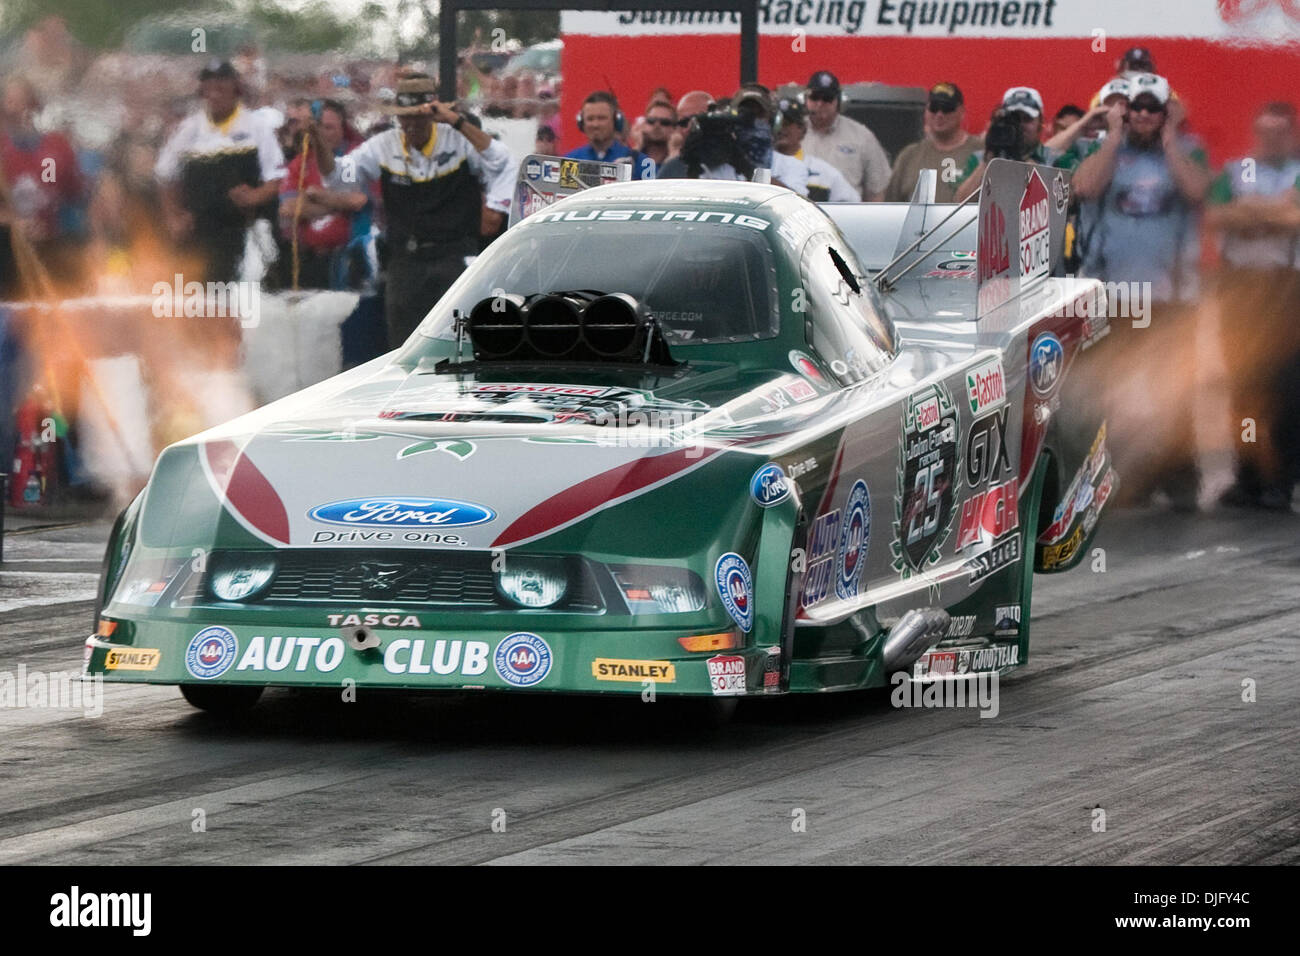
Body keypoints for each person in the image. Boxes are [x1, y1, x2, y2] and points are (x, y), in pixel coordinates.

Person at [1073, 72, 1211, 511]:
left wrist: (1171, 140)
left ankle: (1178, 479)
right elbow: (1083, 187)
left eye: (1156, 107)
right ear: (1126, 111)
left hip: (1170, 295)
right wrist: (1113, 138)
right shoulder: (1105, 152)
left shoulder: (1188, 153)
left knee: (1176, 389)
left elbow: (1197, 191)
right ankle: (1106, 478)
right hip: (1114, 292)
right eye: (1139, 108)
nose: (1147, 115)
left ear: (1166, 111)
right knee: (1105, 388)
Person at [318, 73, 513, 350]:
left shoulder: (457, 138)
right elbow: (337, 176)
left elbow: (502, 161)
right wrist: (317, 141)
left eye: (418, 117)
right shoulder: (384, 144)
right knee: (404, 346)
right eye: (404, 117)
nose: (410, 124)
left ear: (434, 115)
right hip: (405, 261)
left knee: (459, 342)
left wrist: (457, 122)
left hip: (454, 256)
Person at [1205, 102, 1300, 510]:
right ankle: (1248, 475)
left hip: (1286, 290)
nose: (1271, 139)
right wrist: (1273, 209)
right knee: (1244, 385)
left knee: (1285, 388)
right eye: (1265, 131)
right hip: (1241, 289)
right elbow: (1215, 216)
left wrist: (1252, 211)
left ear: (1292, 134)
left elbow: (1295, 221)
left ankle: (1281, 477)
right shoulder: (1239, 170)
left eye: (1280, 131)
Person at [155, 59, 285, 283]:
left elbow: (276, 179)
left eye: (221, 89)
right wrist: (173, 216)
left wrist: (254, 197)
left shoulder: (256, 128)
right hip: (199, 228)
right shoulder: (189, 129)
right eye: (208, 90)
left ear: (235, 89)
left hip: (242, 228)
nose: (214, 96)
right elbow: (165, 174)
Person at [0, 75, 86, 292]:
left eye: (24, 101)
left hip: (52, 243)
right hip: (7, 249)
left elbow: (75, 195)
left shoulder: (56, 146)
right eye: (10, 101)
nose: (17, 109)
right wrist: (14, 224)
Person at [279, 100, 370, 290]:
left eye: (329, 127)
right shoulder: (301, 162)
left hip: (350, 259)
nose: (322, 133)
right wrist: (338, 200)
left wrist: (317, 195)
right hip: (311, 260)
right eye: (318, 127)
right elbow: (288, 208)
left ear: (342, 128)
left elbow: (359, 201)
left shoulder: (356, 157)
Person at [800, 70, 891, 201]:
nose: (820, 104)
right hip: (800, 214)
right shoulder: (792, 133)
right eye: (814, 97)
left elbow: (876, 190)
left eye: (827, 98)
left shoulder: (862, 137)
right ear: (805, 99)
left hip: (846, 217)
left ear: (839, 101)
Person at [884, 82, 981, 203]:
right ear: (926, 111)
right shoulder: (909, 156)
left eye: (947, 108)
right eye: (934, 108)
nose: (939, 114)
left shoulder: (983, 153)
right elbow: (890, 205)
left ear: (962, 112)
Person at [953, 87, 1051, 203]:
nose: (1021, 125)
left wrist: (1020, 158)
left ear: (1040, 123)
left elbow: (1058, 203)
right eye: (1015, 119)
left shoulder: (1055, 158)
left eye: (1027, 119)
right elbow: (960, 203)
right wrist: (989, 160)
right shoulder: (979, 159)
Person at [774, 99, 857, 201]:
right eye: (776, 124)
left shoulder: (824, 172)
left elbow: (853, 204)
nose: (780, 129)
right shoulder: (757, 167)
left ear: (802, 129)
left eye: (786, 124)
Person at [565, 91, 654, 180]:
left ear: (616, 121)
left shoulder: (639, 161)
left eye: (602, 118)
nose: (595, 124)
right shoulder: (570, 161)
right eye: (590, 119)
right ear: (581, 122)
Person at [633, 98, 676, 168]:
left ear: (674, 128)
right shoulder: (633, 156)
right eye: (651, 121)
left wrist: (674, 151)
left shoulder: (679, 160)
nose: (657, 126)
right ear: (643, 125)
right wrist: (638, 146)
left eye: (664, 122)